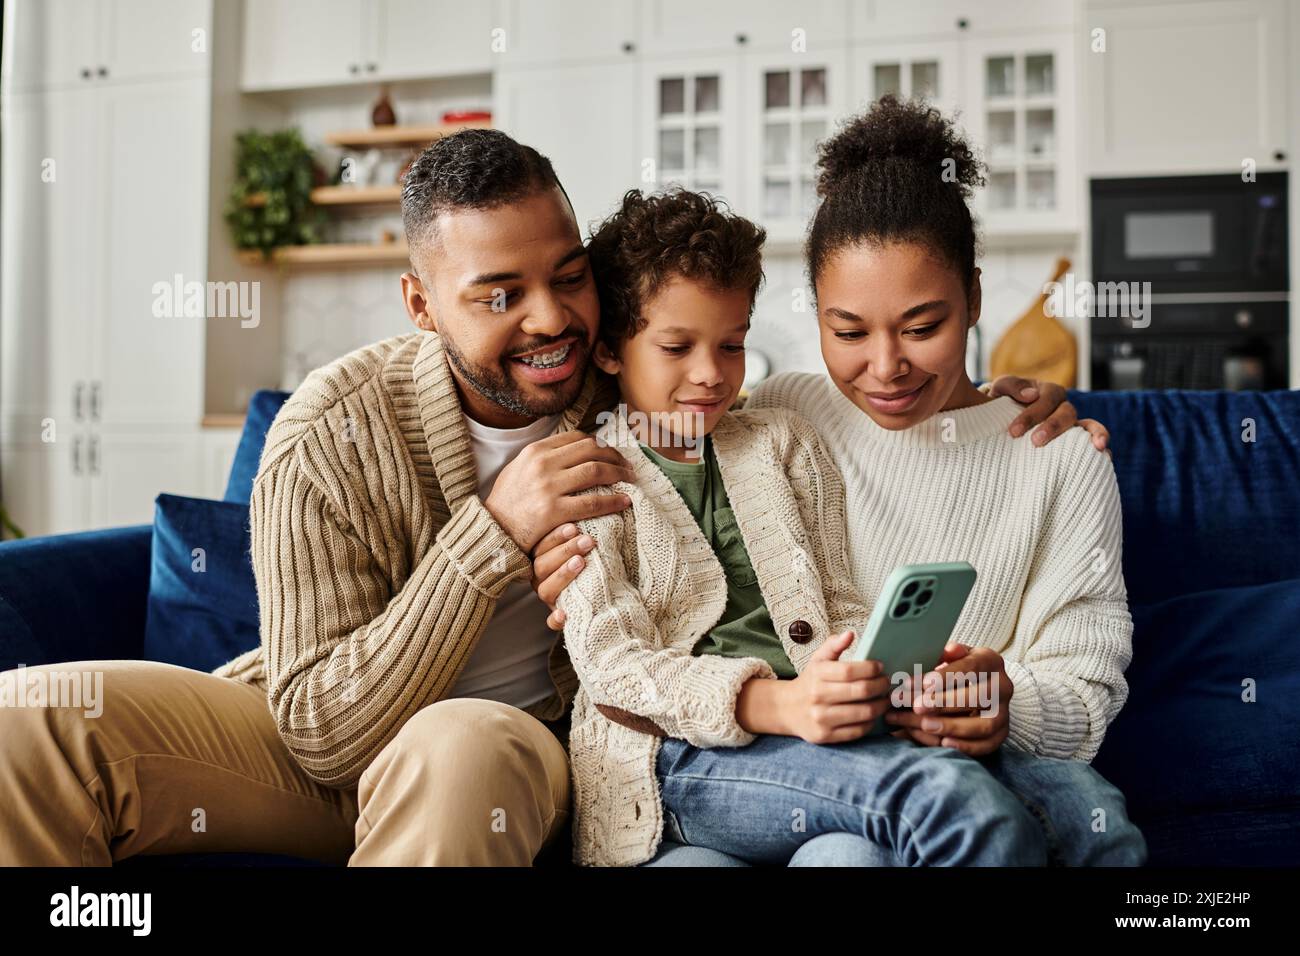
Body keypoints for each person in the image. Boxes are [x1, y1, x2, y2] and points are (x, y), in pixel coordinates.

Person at [0, 128, 1097, 867]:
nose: (549, 319)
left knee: (460, 746)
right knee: (30, 720)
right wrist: (490, 537)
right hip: (321, 739)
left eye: (568, 276)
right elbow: (318, 732)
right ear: (421, 304)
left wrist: (1005, 397)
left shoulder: (630, 390)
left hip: (511, 739)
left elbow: (808, 396)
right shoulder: (329, 433)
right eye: (499, 294)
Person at [537, 100, 1146, 867]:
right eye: (849, 331)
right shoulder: (778, 412)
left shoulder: (784, 436)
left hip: (856, 735)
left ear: (974, 299)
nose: (886, 368)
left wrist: (952, 695)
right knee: (941, 809)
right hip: (708, 751)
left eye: (922, 328)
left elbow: (837, 602)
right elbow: (643, 397)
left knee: (1091, 814)